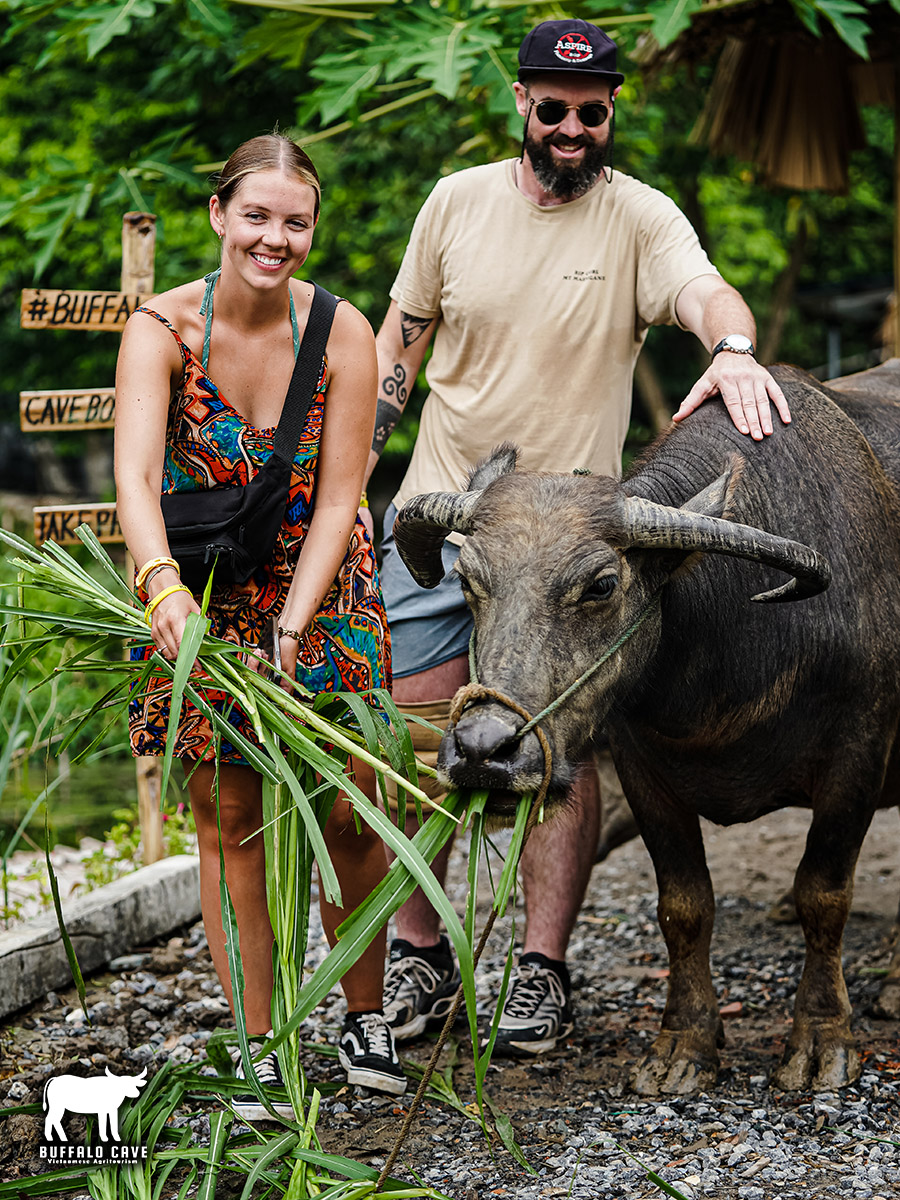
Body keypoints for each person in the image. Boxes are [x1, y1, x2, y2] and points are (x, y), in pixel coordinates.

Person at [366, 20, 791, 1057]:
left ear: (608, 113)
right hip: (448, 512)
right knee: (418, 735)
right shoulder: (455, 201)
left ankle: (542, 972)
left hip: (576, 540)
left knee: (561, 741)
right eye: (550, 108)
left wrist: (732, 347)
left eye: (589, 110)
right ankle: (421, 955)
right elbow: (401, 341)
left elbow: (703, 290)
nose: (569, 126)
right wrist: (350, 454)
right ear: (521, 104)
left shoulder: (640, 217)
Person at [114, 133, 407, 1114]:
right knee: (229, 820)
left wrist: (292, 625)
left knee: (344, 807)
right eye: (257, 216)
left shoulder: (346, 332)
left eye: (295, 222)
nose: (274, 238)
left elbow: (339, 498)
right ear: (217, 215)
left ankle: (362, 1013)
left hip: (322, 591)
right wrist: (160, 588)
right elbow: (135, 478)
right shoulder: (161, 329)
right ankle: (256, 1042)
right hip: (198, 600)